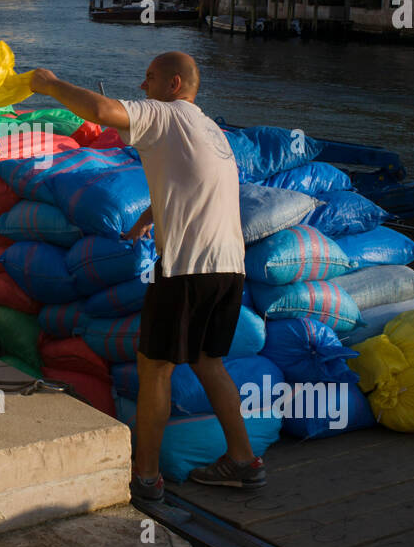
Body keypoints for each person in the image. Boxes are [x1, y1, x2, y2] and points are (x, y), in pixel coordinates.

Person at [28, 52, 265, 503]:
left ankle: (146, 478)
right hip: (229, 267)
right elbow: (194, 185)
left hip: (186, 268)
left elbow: (100, 111)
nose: (142, 86)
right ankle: (243, 461)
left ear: (174, 84)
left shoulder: (166, 114)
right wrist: (147, 217)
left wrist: (51, 84)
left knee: (154, 368)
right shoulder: (210, 131)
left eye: (150, 78)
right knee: (209, 362)